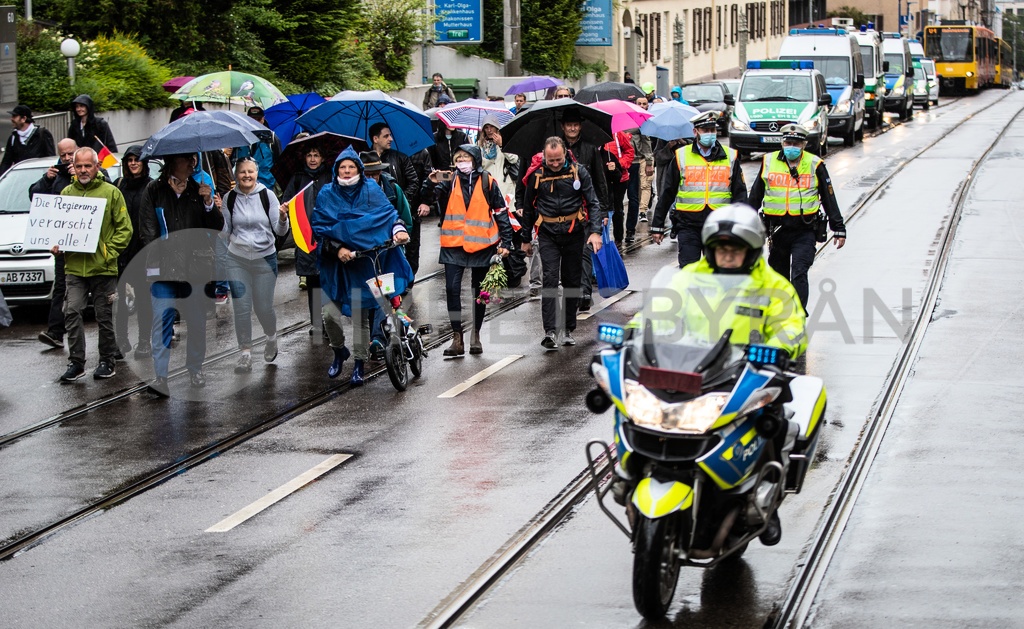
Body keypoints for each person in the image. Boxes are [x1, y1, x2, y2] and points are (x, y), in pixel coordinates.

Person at [611, 204, 807, 533]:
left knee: (778, 422)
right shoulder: (687, 278)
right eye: (720, 249)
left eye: (735, 250)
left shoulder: (774, 287)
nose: (727, 256)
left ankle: (768, 501)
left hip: (744, 372)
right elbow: (657, 312)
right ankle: (627, 471)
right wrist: (636, 330)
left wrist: (778, 348)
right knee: (633, 405)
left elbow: (792, 326)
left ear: (752, 251)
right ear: (709, 249)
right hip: (690, 370)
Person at [312, 147, 414, 385]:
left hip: (364, 263)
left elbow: (389, 216)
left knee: (360, 316)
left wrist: (398, 231)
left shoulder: (370, 189)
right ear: (337, 169)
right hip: (338, 265)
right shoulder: (327, 193)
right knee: (329, 314)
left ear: (358, 168)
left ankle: (359, 363)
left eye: (351, 167)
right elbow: (320, 228)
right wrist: (338, 249)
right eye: (342, 167)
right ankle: (339, 351)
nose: (346, 171)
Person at [138, 153, 225, 395]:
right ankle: (160, 376)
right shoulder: (154, 190)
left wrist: (209, 204)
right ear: (172, 161)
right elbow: (147, 230)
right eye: (187, 159)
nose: (192, 163)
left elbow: (216, 227)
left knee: (197, 322)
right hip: (163, 269)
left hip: (195, 270)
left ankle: (195, 368)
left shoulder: (199, 189)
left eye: (193, 159)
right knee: (162, 321)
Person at [747, 123, 846, 309]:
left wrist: (839, 228)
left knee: (799, 272)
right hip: (777, 230)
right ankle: (781, 312)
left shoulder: (815, 164)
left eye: (796, 143)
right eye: (788, 142)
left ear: (804, 144)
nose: (791, 146)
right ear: (782, 142)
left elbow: (828, 197)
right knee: (779, 275)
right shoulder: (768, 162)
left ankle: (798, 314)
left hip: (804, 229)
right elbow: (755, 196)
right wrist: (741, 224)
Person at [54, 148, 133, 383]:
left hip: (103, 267)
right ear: (73, 168)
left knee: (104, 315)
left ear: (97, 166)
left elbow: (125, 229)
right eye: (79, 166)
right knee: (71, 311)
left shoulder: (111, 192)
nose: (83, 170)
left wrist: (107, 252)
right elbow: (58, 227)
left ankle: (107, 360)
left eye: (87, 166)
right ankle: (76, 362)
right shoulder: (67, 193)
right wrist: (56, 243)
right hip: (75, 267)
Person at [429, 144, 514, 356]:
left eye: (466, 158)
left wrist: (506, 243)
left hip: (482, 245)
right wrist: (430, 183)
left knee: (480, 292)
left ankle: (476, 333)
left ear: (475, 160)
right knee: (451, 288)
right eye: (458, 159)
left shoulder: (488, 182)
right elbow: (429, 198)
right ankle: (456, 337)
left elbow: (501, 212)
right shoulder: (449, 180)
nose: (462, 163)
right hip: (453, 244)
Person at [521, 137, 604, 349]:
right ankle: (549, 331)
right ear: (544, 156)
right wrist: (525, 239)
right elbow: (528, 208)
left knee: (571, 280)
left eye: (558, 159)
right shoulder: (537, 176)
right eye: (551, 160)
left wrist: (595, 231)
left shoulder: (579, 172)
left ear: (565, 154)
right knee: (549, 279)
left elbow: (593, 203)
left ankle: (567, 328)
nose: (555, 164)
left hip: (574, 233)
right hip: (548, 234)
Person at [652, 111, 747, 268]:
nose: (710, 134)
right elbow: (668, 192)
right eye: (705, 130)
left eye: (712, 130)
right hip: (689, 225)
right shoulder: (681, 156)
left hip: (720, 227)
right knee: (690, 273)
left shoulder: (730, 156)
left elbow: (740, 195)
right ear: (695, 132)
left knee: (718, 274)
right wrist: (658, 225)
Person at [222, 157, 290, 373]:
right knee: (241, 307)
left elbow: (280, 231)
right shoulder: (229, 198)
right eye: (242, 172)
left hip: (264, 258)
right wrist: (212, 210)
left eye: (250, 171)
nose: (247, 176)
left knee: (263, 307)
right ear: (236, 175)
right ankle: (245, 353)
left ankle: (271, 337)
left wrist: (282, 217)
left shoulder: (266, 195)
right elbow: (225, 232)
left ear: (257, 173)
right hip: (237, 259)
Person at [560, 108, 610, 311]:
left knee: (585, 251)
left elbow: (600, 181)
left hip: (587, 210)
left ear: (580, 127)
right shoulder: (556, 149)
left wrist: (604, 211)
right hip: (564, 211)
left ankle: (585, 292)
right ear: (563, 127)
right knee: (568, 254)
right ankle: (571, 290)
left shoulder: (590, 149)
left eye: (575, 125)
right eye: (569, 125)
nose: (572, 128)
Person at [281, 143, 333, 336]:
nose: (312, 159)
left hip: (327, 235)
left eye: (316, 155)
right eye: (309, 155)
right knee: (312, 281)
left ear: (322, 158)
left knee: (327, 279)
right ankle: (316, 322)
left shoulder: (329, 176)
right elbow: (287, 201)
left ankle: (330, 320)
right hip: (306, 236)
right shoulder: (297, 178)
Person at [33, 138, 78, 350]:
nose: (68, 158)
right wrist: (46, 179)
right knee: (60, 287)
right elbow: (35, 197)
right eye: (63, 155)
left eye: (71, 154)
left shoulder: (89, 171)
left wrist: (77, 177)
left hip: (87, 246)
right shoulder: (56, 177)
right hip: (62, 245)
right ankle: (55, 332)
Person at [113, 145, 155, 359]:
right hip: (121, 251)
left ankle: (144, 341)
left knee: (144, 299)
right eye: (129, 159)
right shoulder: (118, 185)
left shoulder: (152, 186)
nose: (133, 163)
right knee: (119, 299)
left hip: (143, 251)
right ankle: (121, 341)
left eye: (137, 159)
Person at [234, 106, 281, 191]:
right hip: (243, 188)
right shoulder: (239, 138)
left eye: (258, 119)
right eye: (252, 120)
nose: (255, 122)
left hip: (266, 187)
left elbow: (279, 164)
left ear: (263, 119)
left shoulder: (272, 138)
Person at [1, 104, 55, 175]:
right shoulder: (13, 138)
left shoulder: (43, 135)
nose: (12, 119)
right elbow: (6, 163)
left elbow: (51, 159)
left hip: (40, 179)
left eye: (14, 116)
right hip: (21, 179)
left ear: (23, 119)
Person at [602, 130, 635, 248]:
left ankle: (618, 238)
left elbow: (630, 151)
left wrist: (619, 164)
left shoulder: (618, 134)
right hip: (604, 179)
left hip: (620, 178)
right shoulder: (594, 135)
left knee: (617, 207)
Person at [628, 97, 655, 232]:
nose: (642, 106)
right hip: (626, 161)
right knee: (634, 191)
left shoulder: (643, 120)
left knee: (645, 185)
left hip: (641, 158)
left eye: (644, 104)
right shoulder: (623, 118)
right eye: (639, 103)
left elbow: (646, 141)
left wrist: (649, 162)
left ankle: (642, 211)